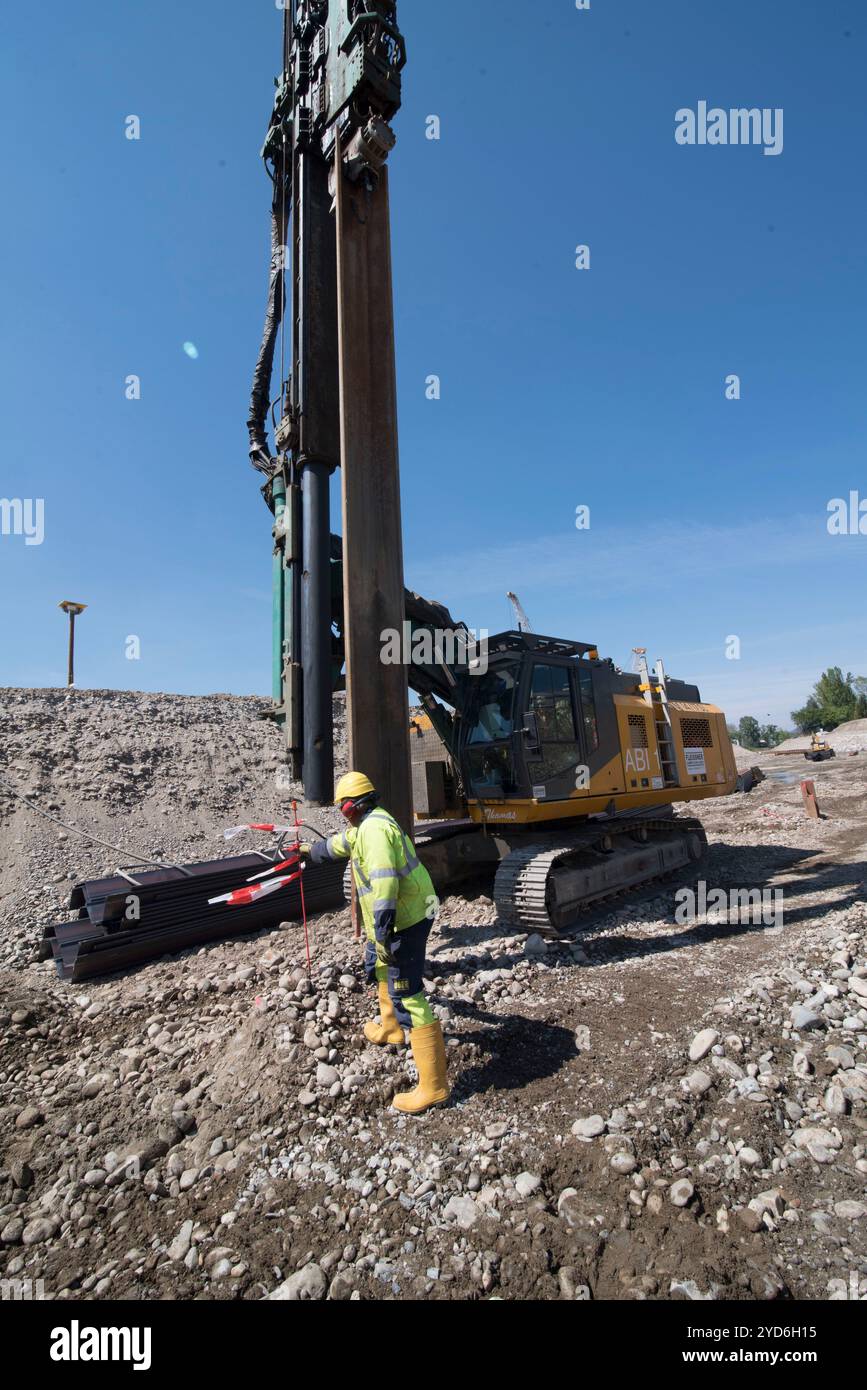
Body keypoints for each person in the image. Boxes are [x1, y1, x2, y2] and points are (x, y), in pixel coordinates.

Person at [305, 772, 450, 1115]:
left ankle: (434, 1087)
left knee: (408, 993)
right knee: (381, 966)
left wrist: (383, 932)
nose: (341, 811)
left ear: (351, 806)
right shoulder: (366, 825)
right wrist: (310, 852)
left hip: (407, 918)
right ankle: (391, 1028)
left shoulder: (374, 831)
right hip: (399, 917)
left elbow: (385, 885)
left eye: (341, 806)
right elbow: (341, 844)